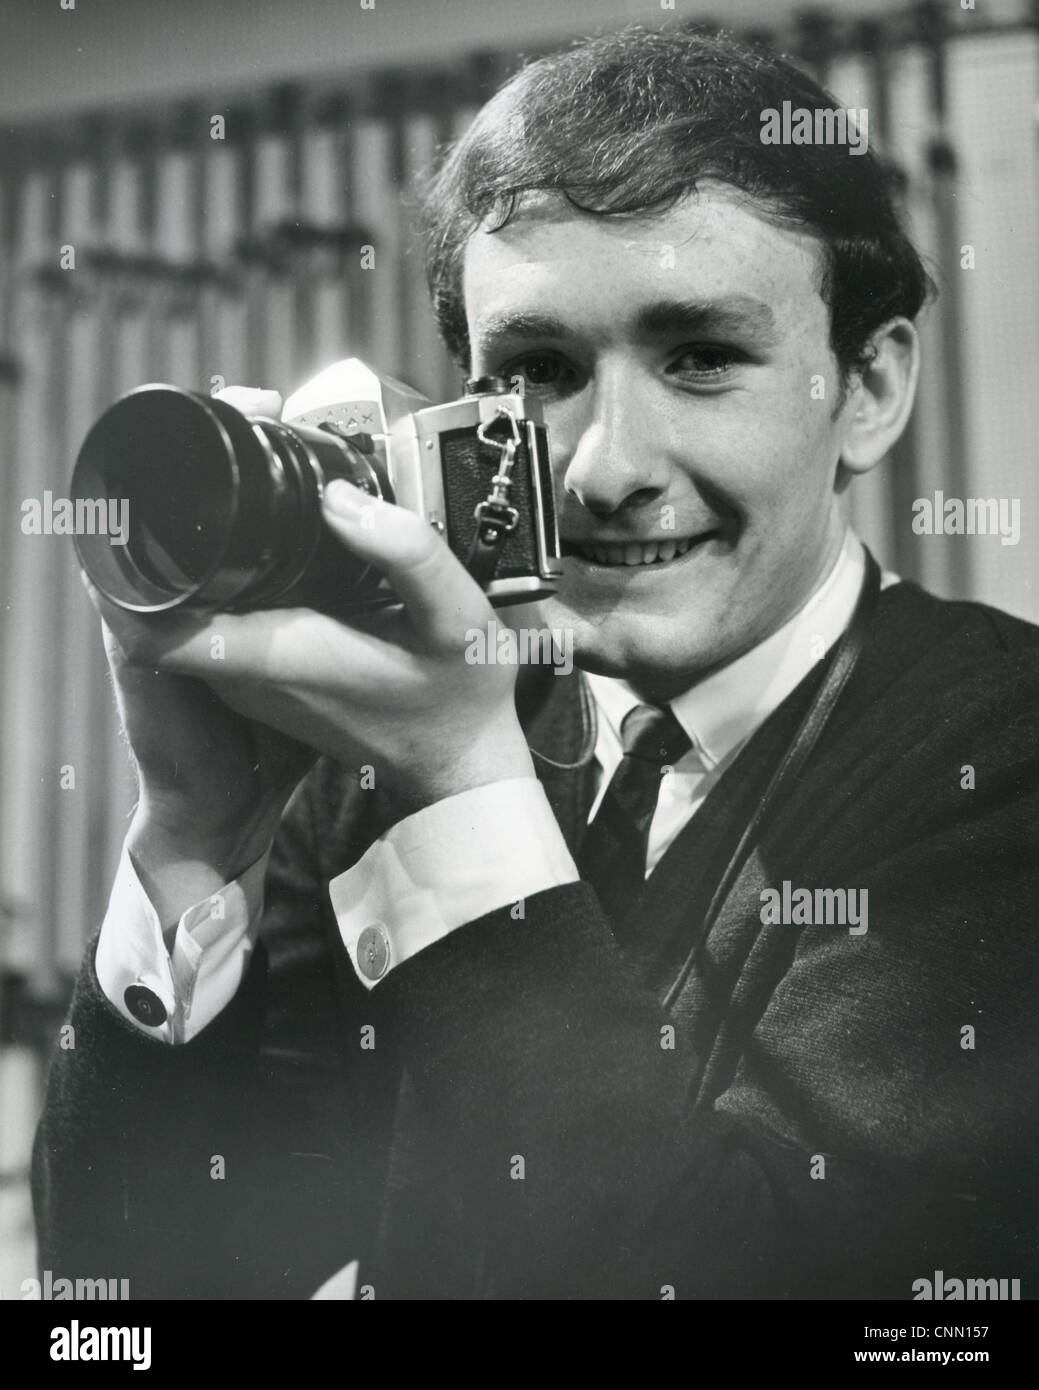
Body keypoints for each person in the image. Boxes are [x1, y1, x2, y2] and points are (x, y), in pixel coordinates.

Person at [33, 26, 1039, 1300]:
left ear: (869, 388)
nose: (605, 467)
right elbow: (132, 1293)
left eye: (701, 357)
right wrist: (194, 830)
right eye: (540, 373)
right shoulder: (374, 767)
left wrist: (464, 796)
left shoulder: (996, 760)